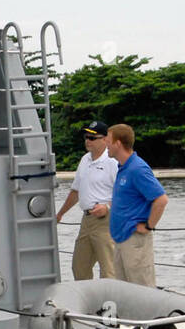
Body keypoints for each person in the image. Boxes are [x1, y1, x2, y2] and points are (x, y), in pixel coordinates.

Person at [105, 123, 168, 287]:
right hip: (121, 239)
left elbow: (161, 199)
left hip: (134, 241)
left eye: (108, 141)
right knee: (124, 289)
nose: (106, 144)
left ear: (118, 143)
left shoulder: (137, 168)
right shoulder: (123, 168)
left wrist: (148, 226)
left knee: (141, 287)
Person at [55, 120, 118, 280]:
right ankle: (89, 303)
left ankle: (111, 303)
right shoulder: (85, 159)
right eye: (86, 137)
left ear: (105, 139)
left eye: (92, 137)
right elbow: (76, 191)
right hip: (86, 220)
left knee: (108, 269)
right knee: (79, 266)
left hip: (106, 220)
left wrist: (107, 207)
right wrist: (60, 213)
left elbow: (124, 193)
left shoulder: (112, 162)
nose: (87, 141)